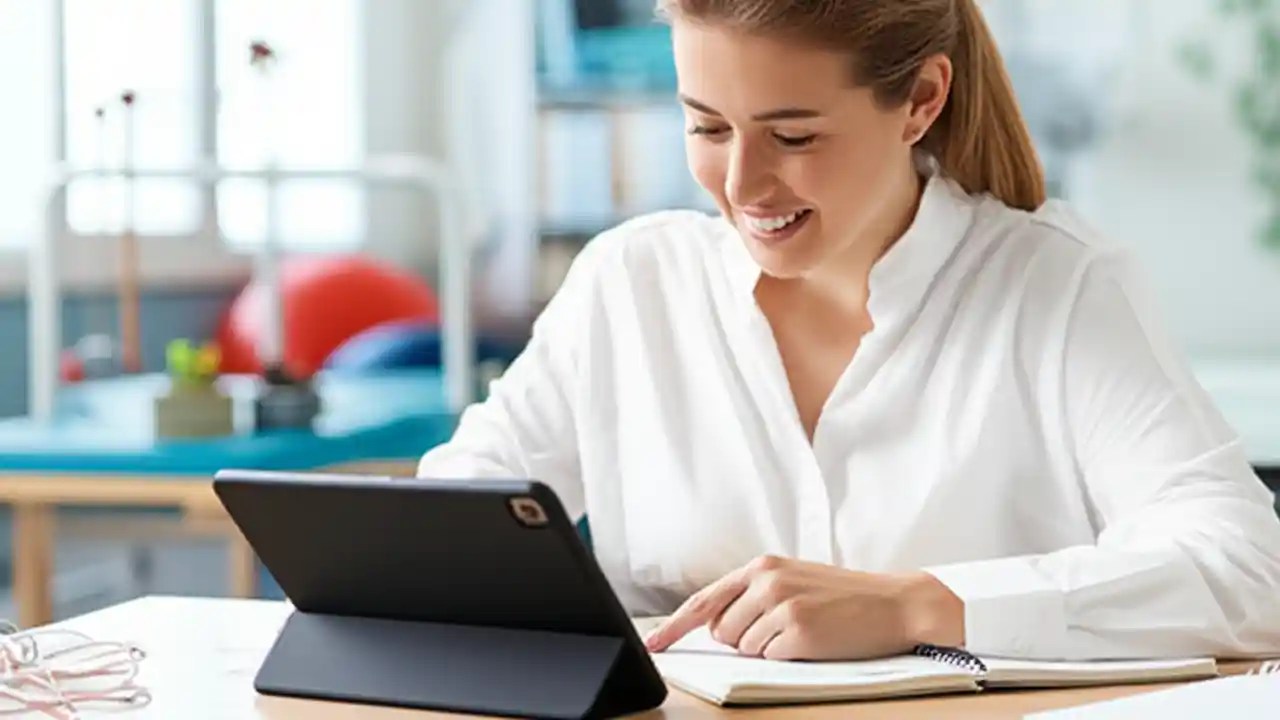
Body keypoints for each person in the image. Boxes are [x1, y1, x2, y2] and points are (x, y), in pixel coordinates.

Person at [420, 0, 1280, 662]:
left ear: (921, 101)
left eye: (793, 135)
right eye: (707, 126)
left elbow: (1249, 574)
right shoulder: (628, 285)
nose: (744, 184)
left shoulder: (1054, 287)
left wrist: (919, 606)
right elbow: (454, 522)